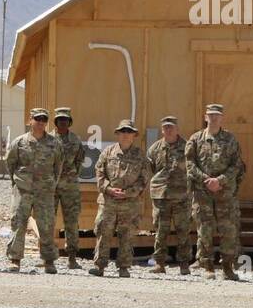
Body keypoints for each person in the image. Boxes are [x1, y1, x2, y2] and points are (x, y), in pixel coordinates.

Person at [186, 103, 245, 281]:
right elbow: (190, 164)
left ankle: (227, 267)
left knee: (228, 230)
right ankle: (208, 266)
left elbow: (237, 165)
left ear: (222, 118)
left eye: (217, 115)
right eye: (210, 115)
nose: (213, 118)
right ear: (205, 117)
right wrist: (207, 180)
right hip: (202, 193)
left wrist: (220, 180)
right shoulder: (195, 139)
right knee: (204, 229)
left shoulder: (230, 139)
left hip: (224, 193)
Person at [4, 108, 62, 272]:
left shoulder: (54, 143)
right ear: (30, 120)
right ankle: (15, 259)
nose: (41, 122)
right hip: (23, 190)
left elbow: (58, 166)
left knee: (46, 225)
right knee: (18, 222)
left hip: (45, 192)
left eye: (44, 119)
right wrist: (17, 183)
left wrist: (51, 184)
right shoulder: (20, 142)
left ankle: (49, 261)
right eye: (38, 119)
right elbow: (10, 164)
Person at [90, 120, 151, 277]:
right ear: (118, 134)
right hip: (108, 201)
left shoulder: (140, 156)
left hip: (129, 203)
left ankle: (124, 267)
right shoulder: (108, 152)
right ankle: (99, 266)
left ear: (134, 136)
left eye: (129, 132)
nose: (125, 134)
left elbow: (144, 179)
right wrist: (108, 189)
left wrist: (129, 192)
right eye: (123, 131)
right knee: (104, 232)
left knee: (127, 234)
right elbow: (99, 172)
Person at [146, 115, 191, 274]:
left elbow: (192, 169)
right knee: (160, 231)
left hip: (181, 197)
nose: (168, 130)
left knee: (183, 231)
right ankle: (160, 263)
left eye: (171, 127)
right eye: (165, 127)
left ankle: (184, 264)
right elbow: (151, 168)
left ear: (177, 129)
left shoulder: (188, 148)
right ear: (162, 129)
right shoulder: (155, 148)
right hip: (161, 196)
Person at [52, 107, 86, 269]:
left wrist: (70, 176)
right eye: (59, 120)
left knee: (71, 222)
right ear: (56, 122)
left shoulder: (75, 140)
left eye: (65, 120)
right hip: (50, 185)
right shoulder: (48, 139)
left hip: (70, 186)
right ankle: (48, 257)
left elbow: (79, 161)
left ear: (69, 122)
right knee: (47, 221)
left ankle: (72, 257)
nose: (62, 122)